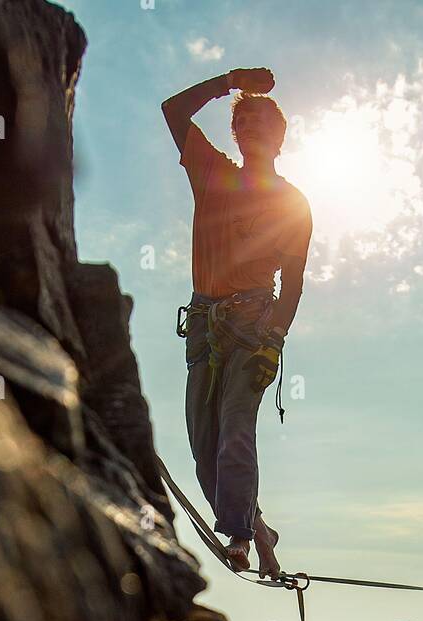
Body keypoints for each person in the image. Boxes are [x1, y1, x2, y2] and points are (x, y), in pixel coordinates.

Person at [162, 68, 312, 580]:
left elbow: (292, 283)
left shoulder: (292, 204)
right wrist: (228, 82)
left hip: (252, 324)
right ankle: (257, 525)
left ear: (279, 137)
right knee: (203, 446)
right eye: (241, 119)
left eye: (258, 120)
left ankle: (241, 536)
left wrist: (273, 341)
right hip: (204, 323)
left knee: (234, 431)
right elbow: (172, 110)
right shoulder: (213, 172)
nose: (248, 125)